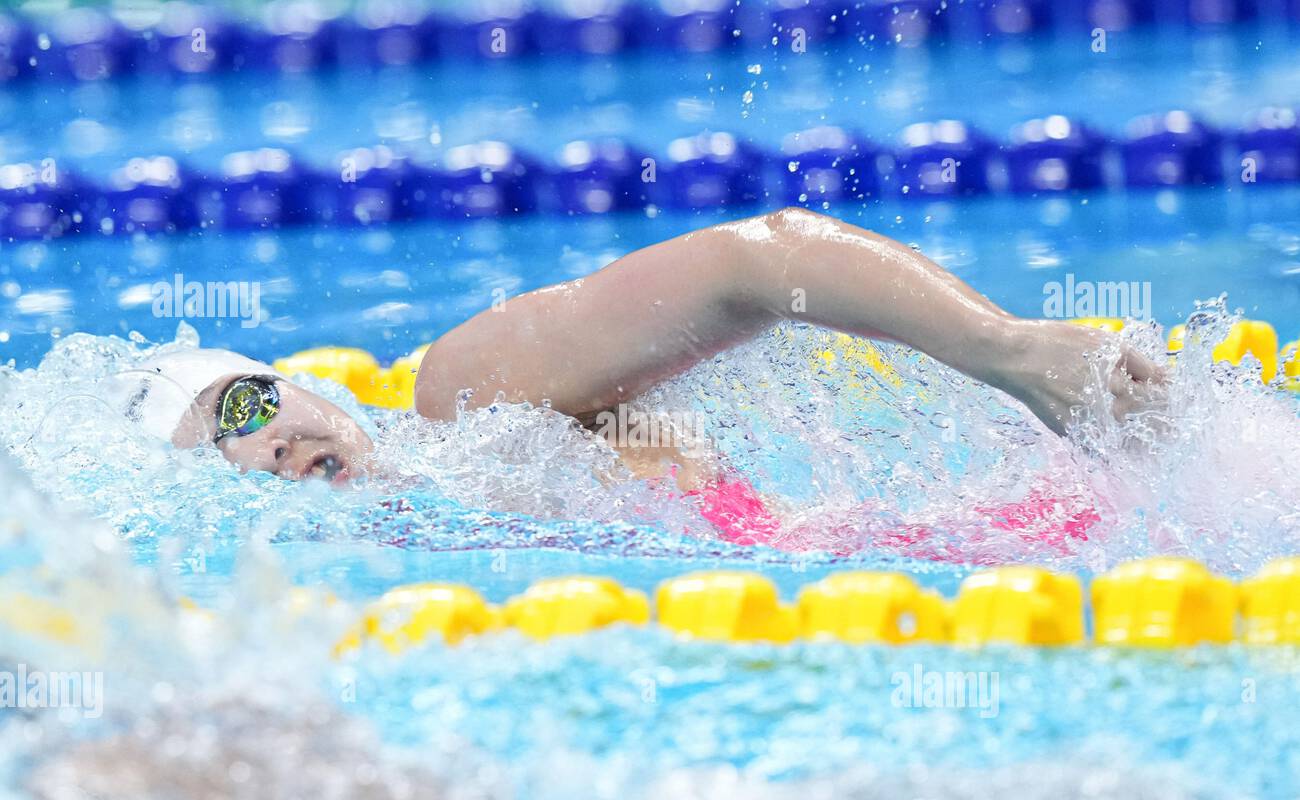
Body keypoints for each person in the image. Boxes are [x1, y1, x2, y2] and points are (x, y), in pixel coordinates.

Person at [124, 208, 1162, 534]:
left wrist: (1009, 352)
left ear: (300, 386)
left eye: (247, 401)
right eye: (223, 455)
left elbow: (755, 262)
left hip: (1049, 548)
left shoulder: (471, 400)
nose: (261, 442)